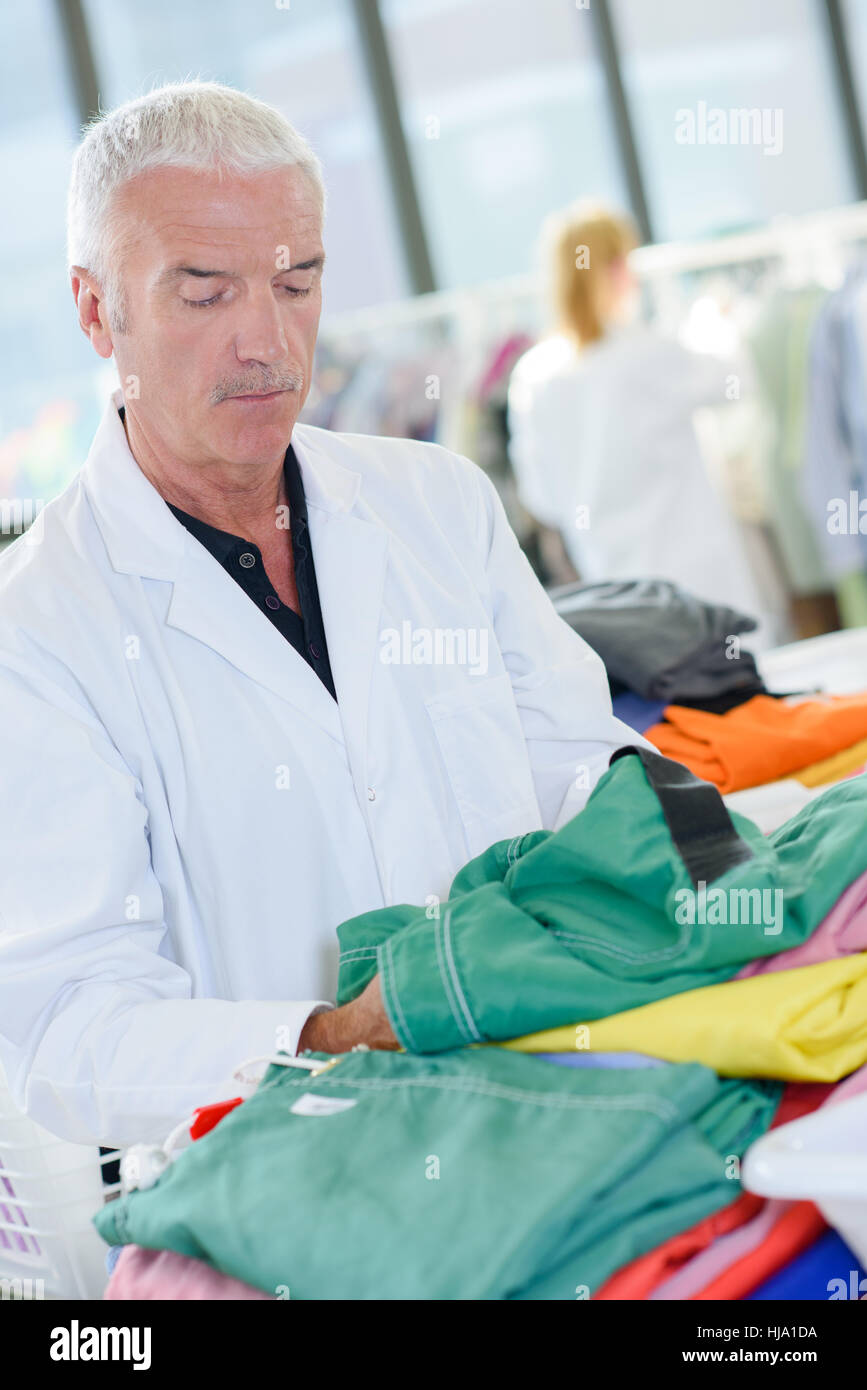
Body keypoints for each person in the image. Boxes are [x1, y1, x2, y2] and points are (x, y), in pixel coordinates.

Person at [0, 83, 644, 1148]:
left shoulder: (438, 504)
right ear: (94, 309)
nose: (269, 343)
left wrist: (686, 852)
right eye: (204, 295)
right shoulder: (36, 633)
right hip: (290, 1171)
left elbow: (575, 759)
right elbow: (66, 1025)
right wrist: (334, 1034)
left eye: (297, 283)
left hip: (548, 1108)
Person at [507, 203, 769, 623]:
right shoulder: (644, 352)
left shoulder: (533, 377)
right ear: (618, 269)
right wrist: (710, 317)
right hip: (699, 579)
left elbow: (543, 497)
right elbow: (734, 378)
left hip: (618, 588)